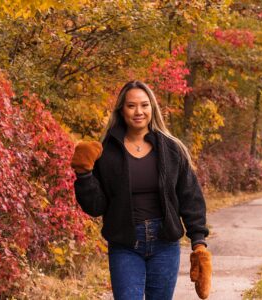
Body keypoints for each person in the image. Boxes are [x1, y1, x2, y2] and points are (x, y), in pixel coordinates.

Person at [71, 80, 212, 300]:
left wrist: (199, 242)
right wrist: (84, 175)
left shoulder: (171, 149)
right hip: (125, 243)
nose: (139, 111)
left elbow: (190, 196)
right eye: (131, 106)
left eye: (144, 105)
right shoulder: (106, 152)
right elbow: (95, 207)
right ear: (121, 109)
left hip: (165, 242)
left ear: (152, 108)